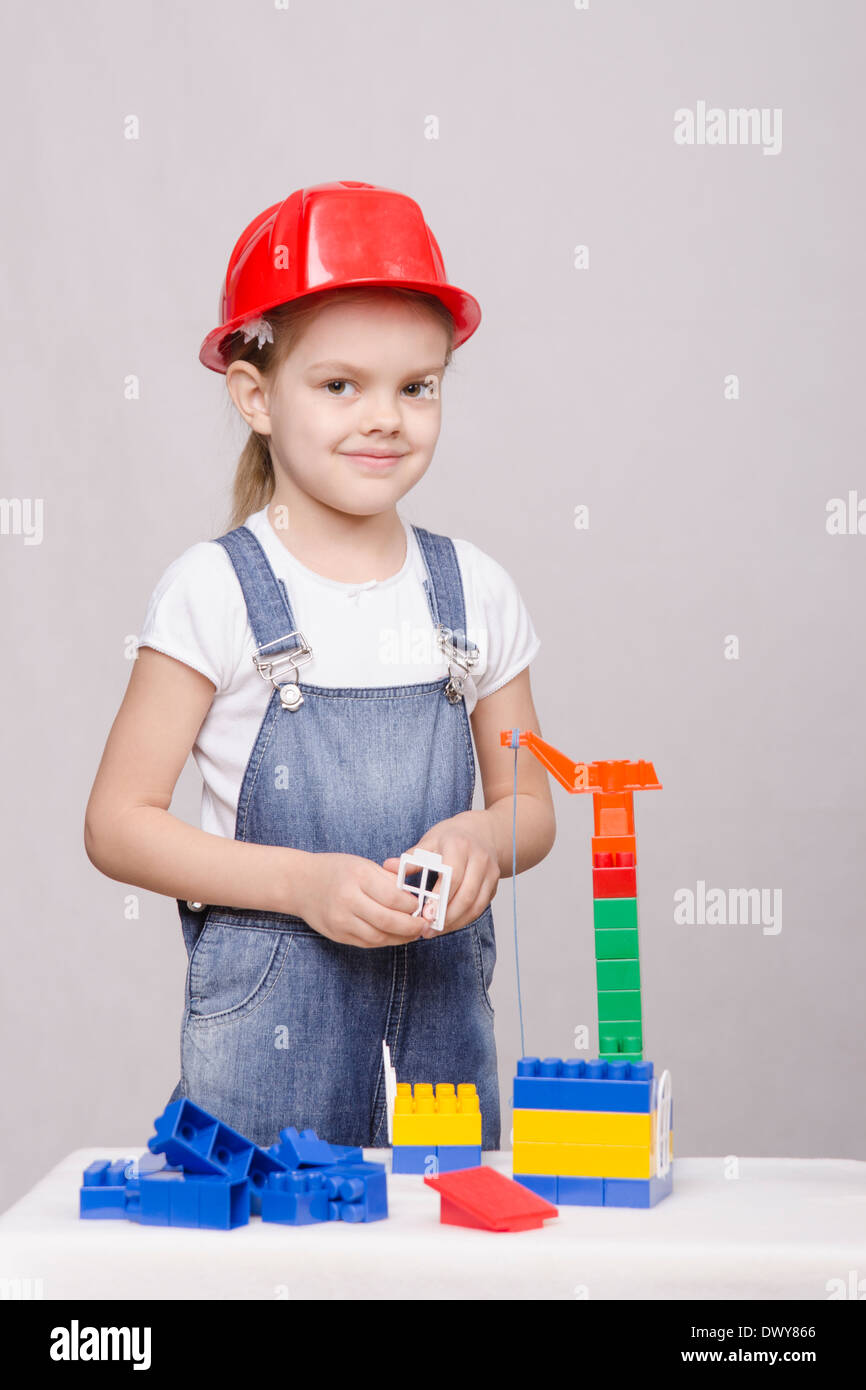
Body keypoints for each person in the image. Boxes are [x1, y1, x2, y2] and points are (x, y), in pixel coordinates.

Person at [84, 181, 556, 1151]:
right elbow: (118, 826)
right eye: (340, 384)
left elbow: (529, 807)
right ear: (256, 395)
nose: (384, 416)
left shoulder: (475, 590)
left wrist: (477, 838)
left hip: (440, 1064)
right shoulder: (211, 591)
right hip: (265, 1065)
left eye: (415, 386)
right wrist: (301, 885)